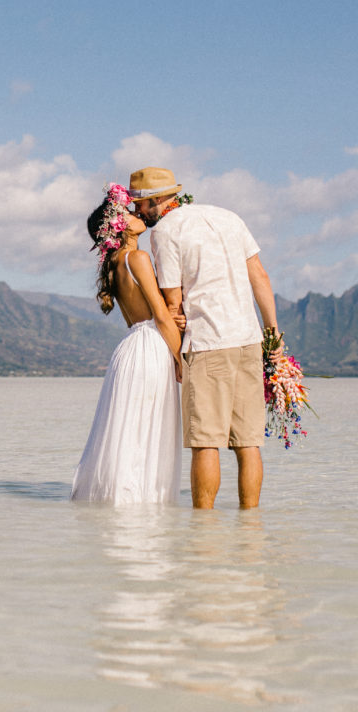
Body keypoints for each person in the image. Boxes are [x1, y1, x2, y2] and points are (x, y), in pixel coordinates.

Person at [130, 166, 280, 510]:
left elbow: (172, 301)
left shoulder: (165, 231)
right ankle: (251, 526)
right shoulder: (229, 217)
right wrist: (273, 334)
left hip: (207, 342)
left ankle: (203, 528)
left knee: (205, 442)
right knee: (248, 443)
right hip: (248, 339)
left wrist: (175, 354)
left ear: (155, 201)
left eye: (139, 205)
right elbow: (260, 275)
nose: (137, 212)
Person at [70, 184, 185, 504]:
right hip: (151, 348)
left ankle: (117, 500)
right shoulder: (137, 258)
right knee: (147, 428)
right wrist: (181, 359)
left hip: (131, 347)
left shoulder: (115, 264)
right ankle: (141, 503)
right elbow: (160, 316)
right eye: (128, 212)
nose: (136, 213)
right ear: (118, 225)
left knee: (127, 428)